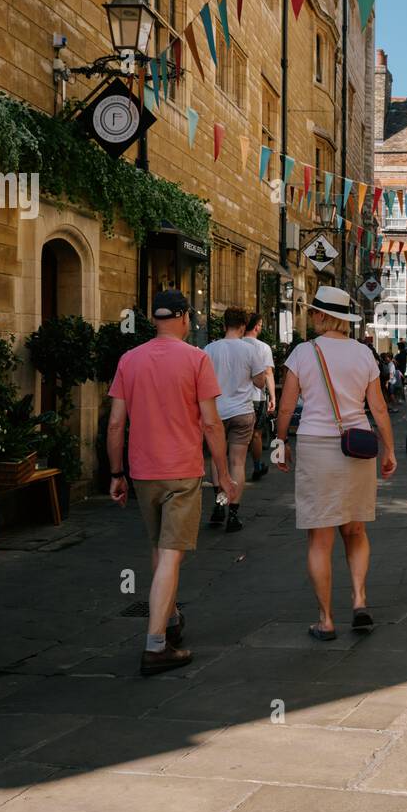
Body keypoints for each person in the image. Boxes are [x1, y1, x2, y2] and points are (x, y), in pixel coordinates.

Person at [106, 289, 238, 676]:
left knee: (159, 546)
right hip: (182, 470)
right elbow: (212, 423)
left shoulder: (130, 359)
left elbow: (115, 423)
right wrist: (223, 474)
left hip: (143, 470)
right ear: (182, 318)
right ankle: (155, 644)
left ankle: (172, 616)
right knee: (171, 553)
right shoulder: (196, 359)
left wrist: (116, 473)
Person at [275, 286, 396, 640]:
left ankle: (326, 620)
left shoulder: (303, 353)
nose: (310, 316)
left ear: (323, 316)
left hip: (316, 447)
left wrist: (280, 441)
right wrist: (389, 449)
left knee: (320, 537)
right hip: (357, 447)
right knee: (356, 530)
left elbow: (286, 406)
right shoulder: (363, 354)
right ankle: (359, 602)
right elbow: (378, 408)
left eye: (313, 312)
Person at [204, 307, 269, 532]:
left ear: (224, 325)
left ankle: (219, 503)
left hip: (216, 413)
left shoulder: (209, 349)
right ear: (243, 326)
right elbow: (260, 382)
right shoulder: (251, 351)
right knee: (237, 463)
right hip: (242, 411)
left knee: (216, 460)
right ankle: (233, 514)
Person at [244, 313, 276, 483]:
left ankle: (233, 468)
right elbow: (268, 373)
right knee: (256, 434)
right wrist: (273, 397)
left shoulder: (235, 344)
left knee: (236, 437)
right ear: (256, 326)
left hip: (236, 399)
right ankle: (256, 466)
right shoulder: (263, 348)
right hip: (257, 397)